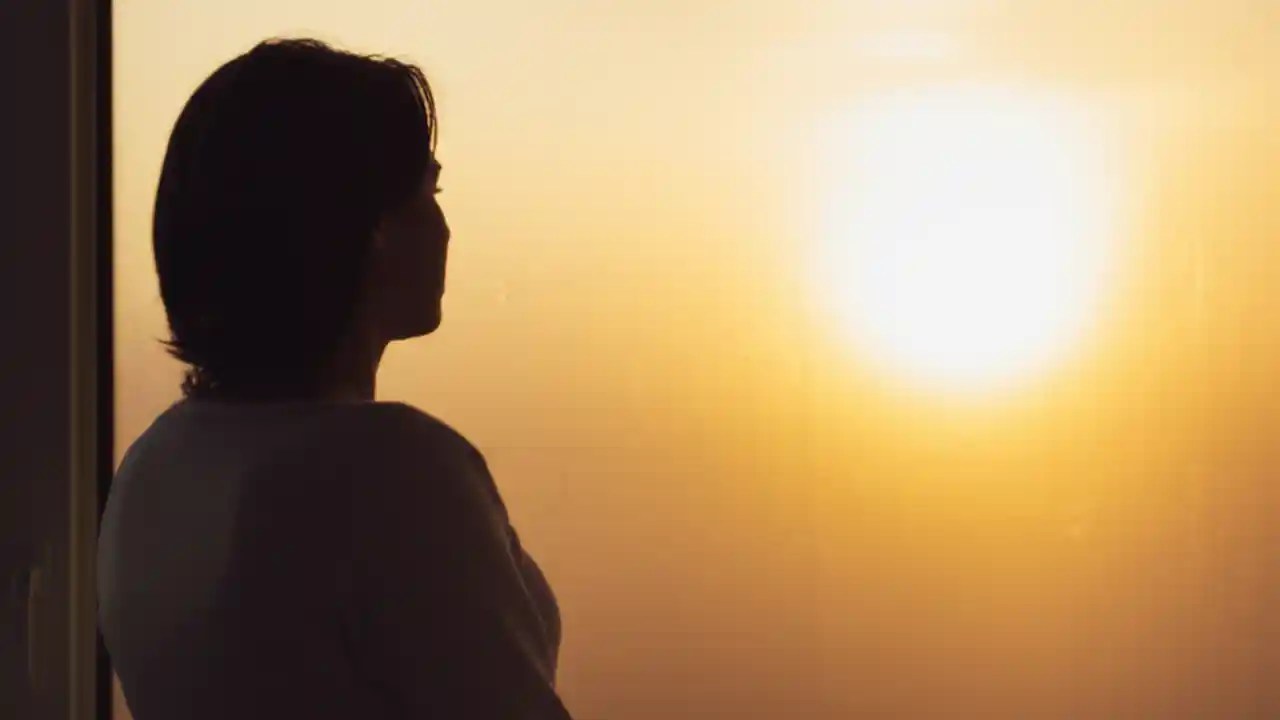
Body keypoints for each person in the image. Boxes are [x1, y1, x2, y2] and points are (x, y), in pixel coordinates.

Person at [97, 38, 572, 719]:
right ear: (372, 227)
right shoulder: (394, 473)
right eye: (427, 191)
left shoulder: (154, 468)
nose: (443, 227)